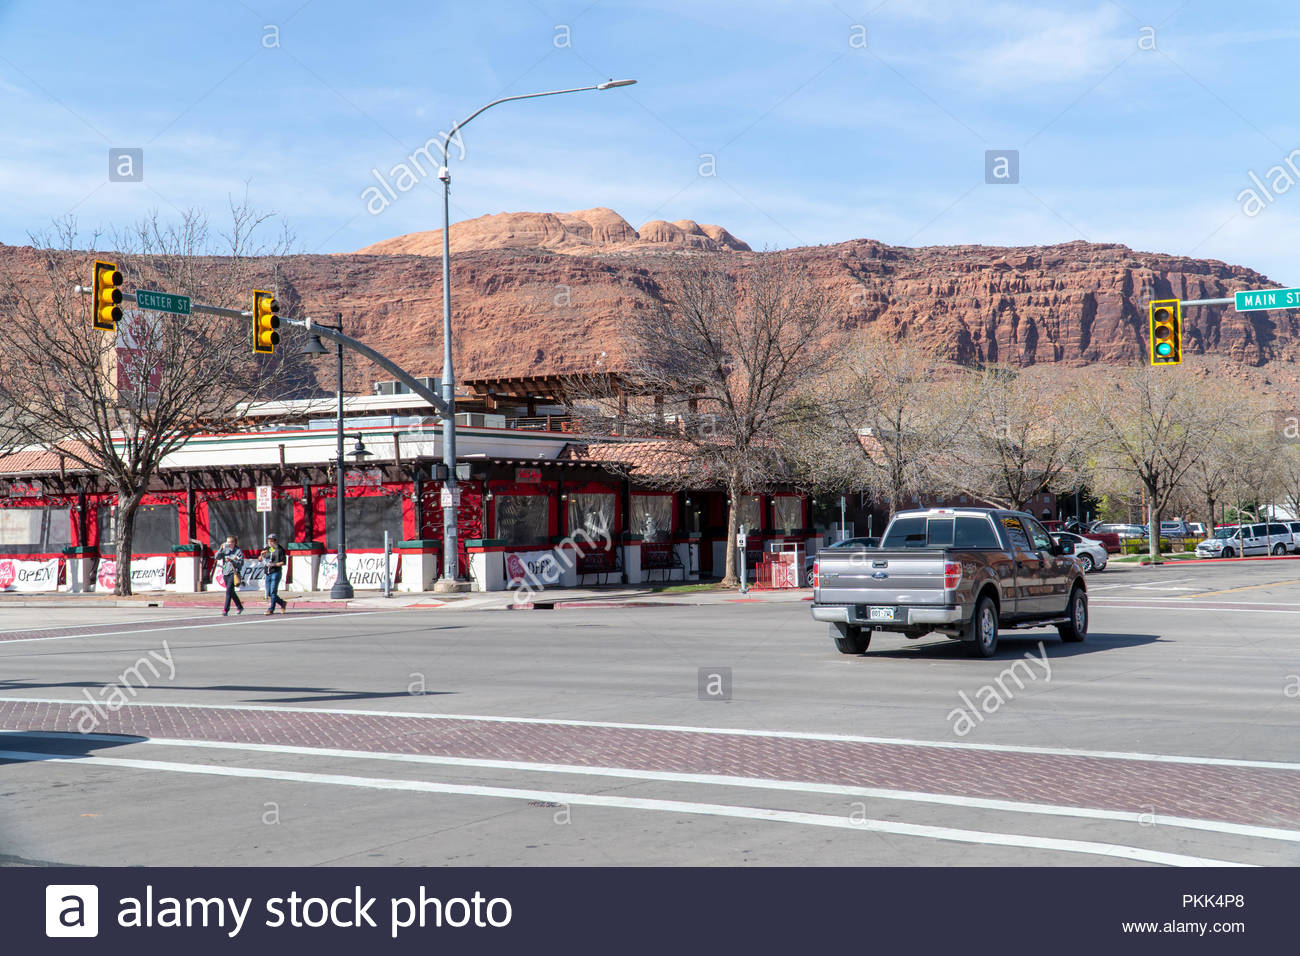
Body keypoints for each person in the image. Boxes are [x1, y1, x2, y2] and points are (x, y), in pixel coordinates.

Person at [214, 534, 244, 616]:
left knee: (228, 591)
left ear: (234, 543)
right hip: (225, 572)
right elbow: (216, 557)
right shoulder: (225, 550)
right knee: (231, 591)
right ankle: (239, 606)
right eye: (227, 542)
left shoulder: (238, 551)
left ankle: (225, 609)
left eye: (230, 542)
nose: (228, 544)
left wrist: (232, 560)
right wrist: (220, 549)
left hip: (233, 573)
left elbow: (241, 563)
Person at [260, 533, 288, 615]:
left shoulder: (280, 549)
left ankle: (271, 609)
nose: (270, 543)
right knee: (268, 592)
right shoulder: (268, 549)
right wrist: (261, 555)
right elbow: (260, 559)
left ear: (275, 541)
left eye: (271, 541)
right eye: (269, 541)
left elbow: (283, 562)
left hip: (276, 572)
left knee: (273, 592)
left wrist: (275, 564)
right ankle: (282, 603)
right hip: (268, 572)